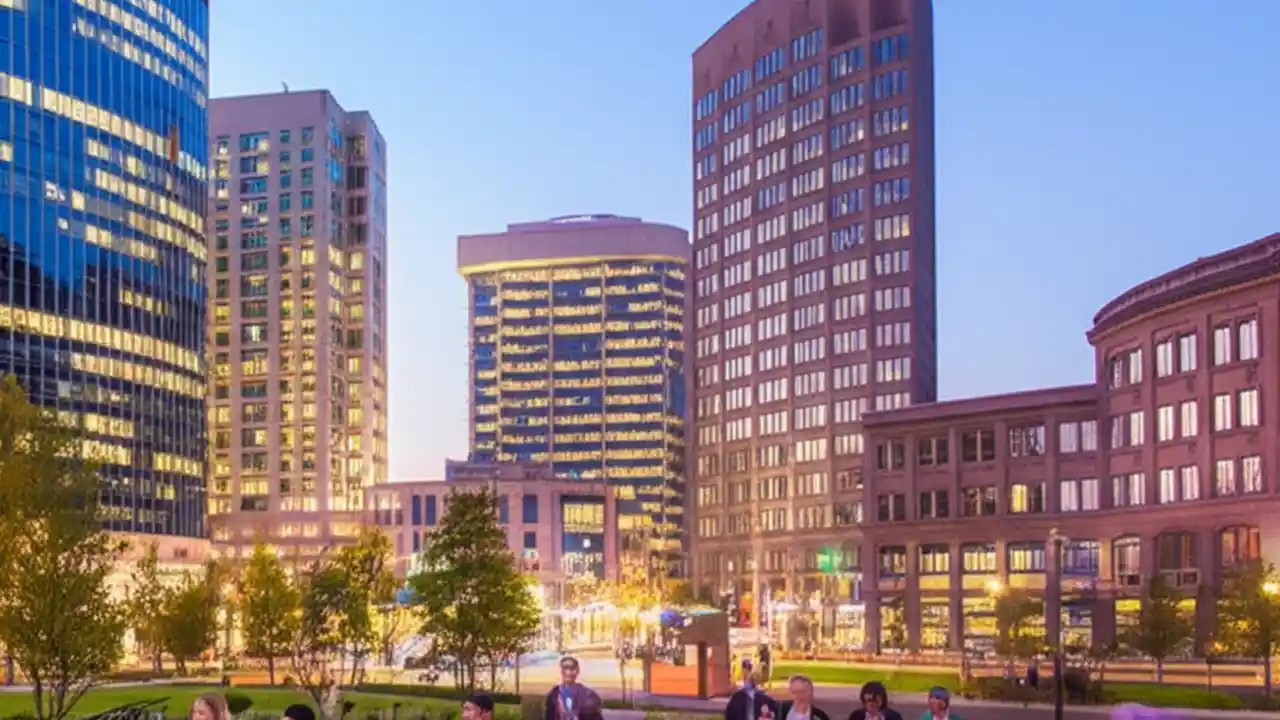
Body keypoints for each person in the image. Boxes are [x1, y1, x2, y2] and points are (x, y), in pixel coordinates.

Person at [545, 655, 604, 720]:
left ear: (577, 671)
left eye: (572, 669)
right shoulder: (554, 695)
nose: (568, 672)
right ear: (560, 671)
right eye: (565, 668)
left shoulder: (589, 695)